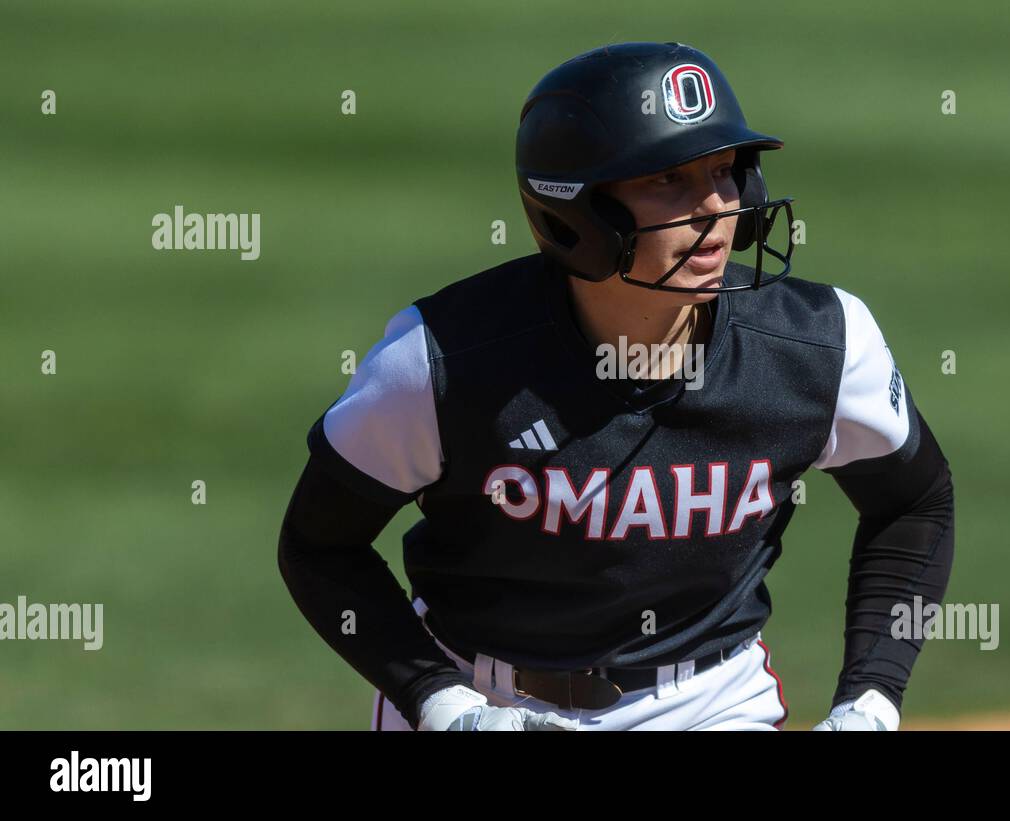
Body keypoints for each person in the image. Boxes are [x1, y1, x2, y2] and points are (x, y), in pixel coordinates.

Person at [278, 41, 955, 731]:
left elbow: (915, 502)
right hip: (483, 701)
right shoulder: (444, 361)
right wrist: (442, 702)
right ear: (576, 215)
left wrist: (870, 701)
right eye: (669, 180)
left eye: (724, 172)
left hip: (709, 705)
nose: (714, 209)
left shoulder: (817, 346)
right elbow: (319, 545)